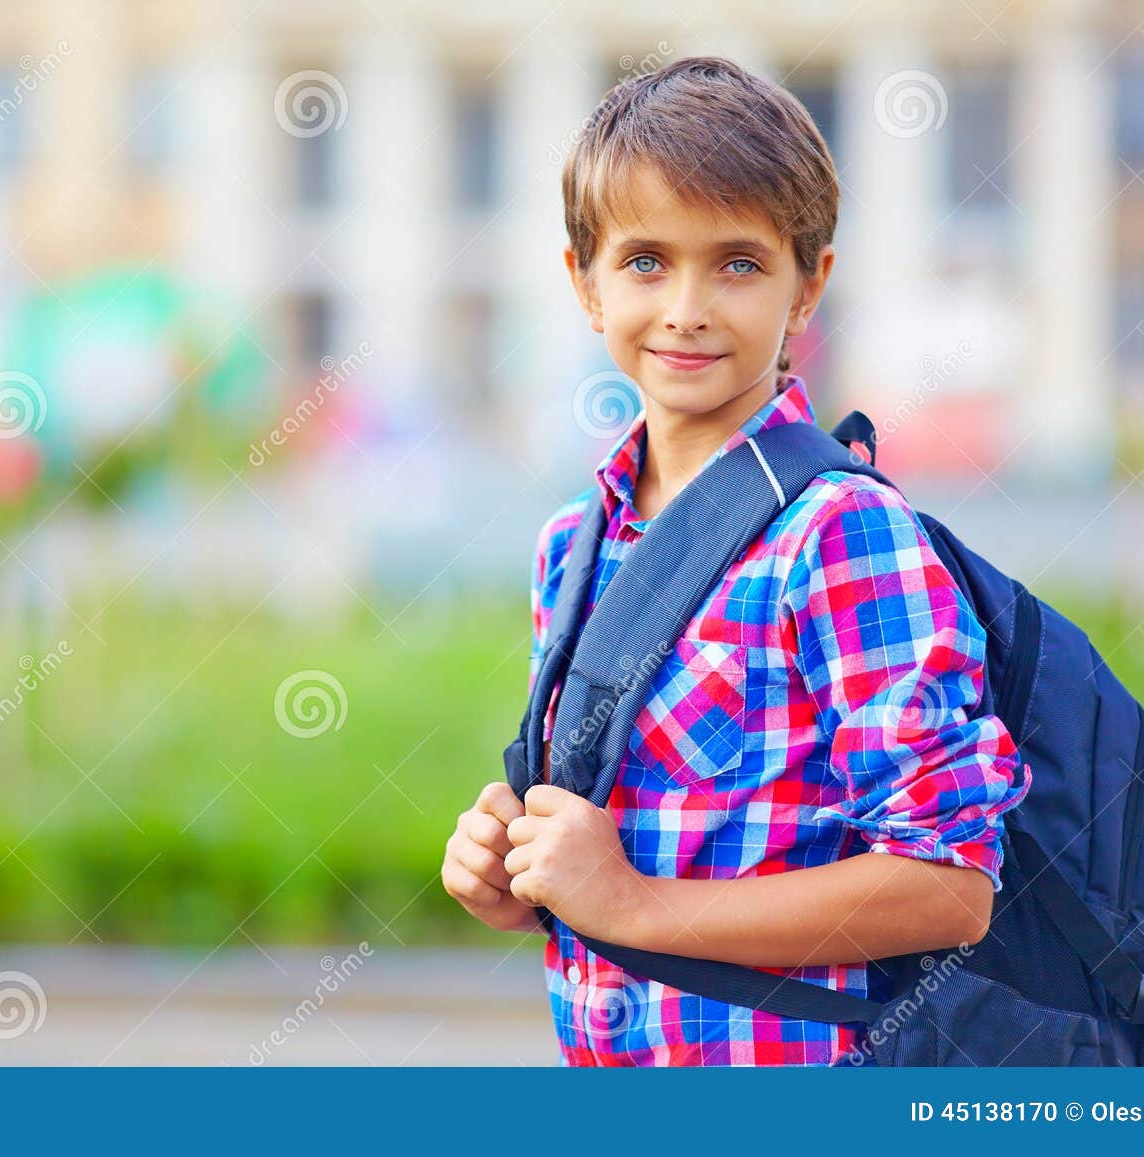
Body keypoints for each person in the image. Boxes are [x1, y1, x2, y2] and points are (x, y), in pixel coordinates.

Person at [441, 55, 1032, 1067]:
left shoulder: (839, 535)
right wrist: (525, 881)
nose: (687, 306)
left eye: (739, 263)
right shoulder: (570, 546)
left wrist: (630, 900)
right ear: (582, 281)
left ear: (809, 287)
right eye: (643, 262)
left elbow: (948, 887)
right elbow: (632, 860)